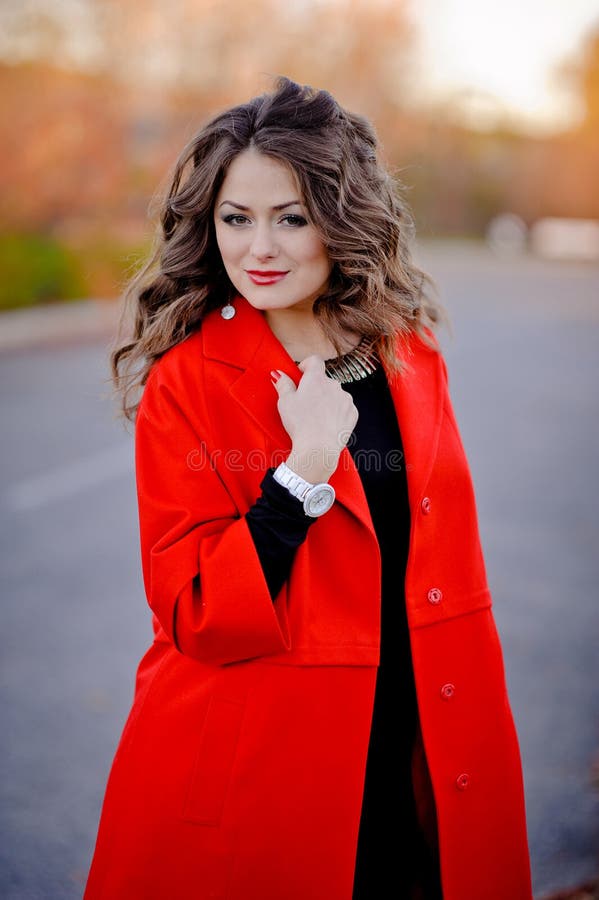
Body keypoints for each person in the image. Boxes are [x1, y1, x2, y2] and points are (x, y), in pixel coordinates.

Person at [83, 76, 533, 900]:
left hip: (415, 747)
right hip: (265, 771)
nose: (259, 248)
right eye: (235, 219)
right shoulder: (188, 382)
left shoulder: (408, 353)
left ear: (341, 218)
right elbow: (195, 612)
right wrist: (301, 473)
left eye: (290, 218)